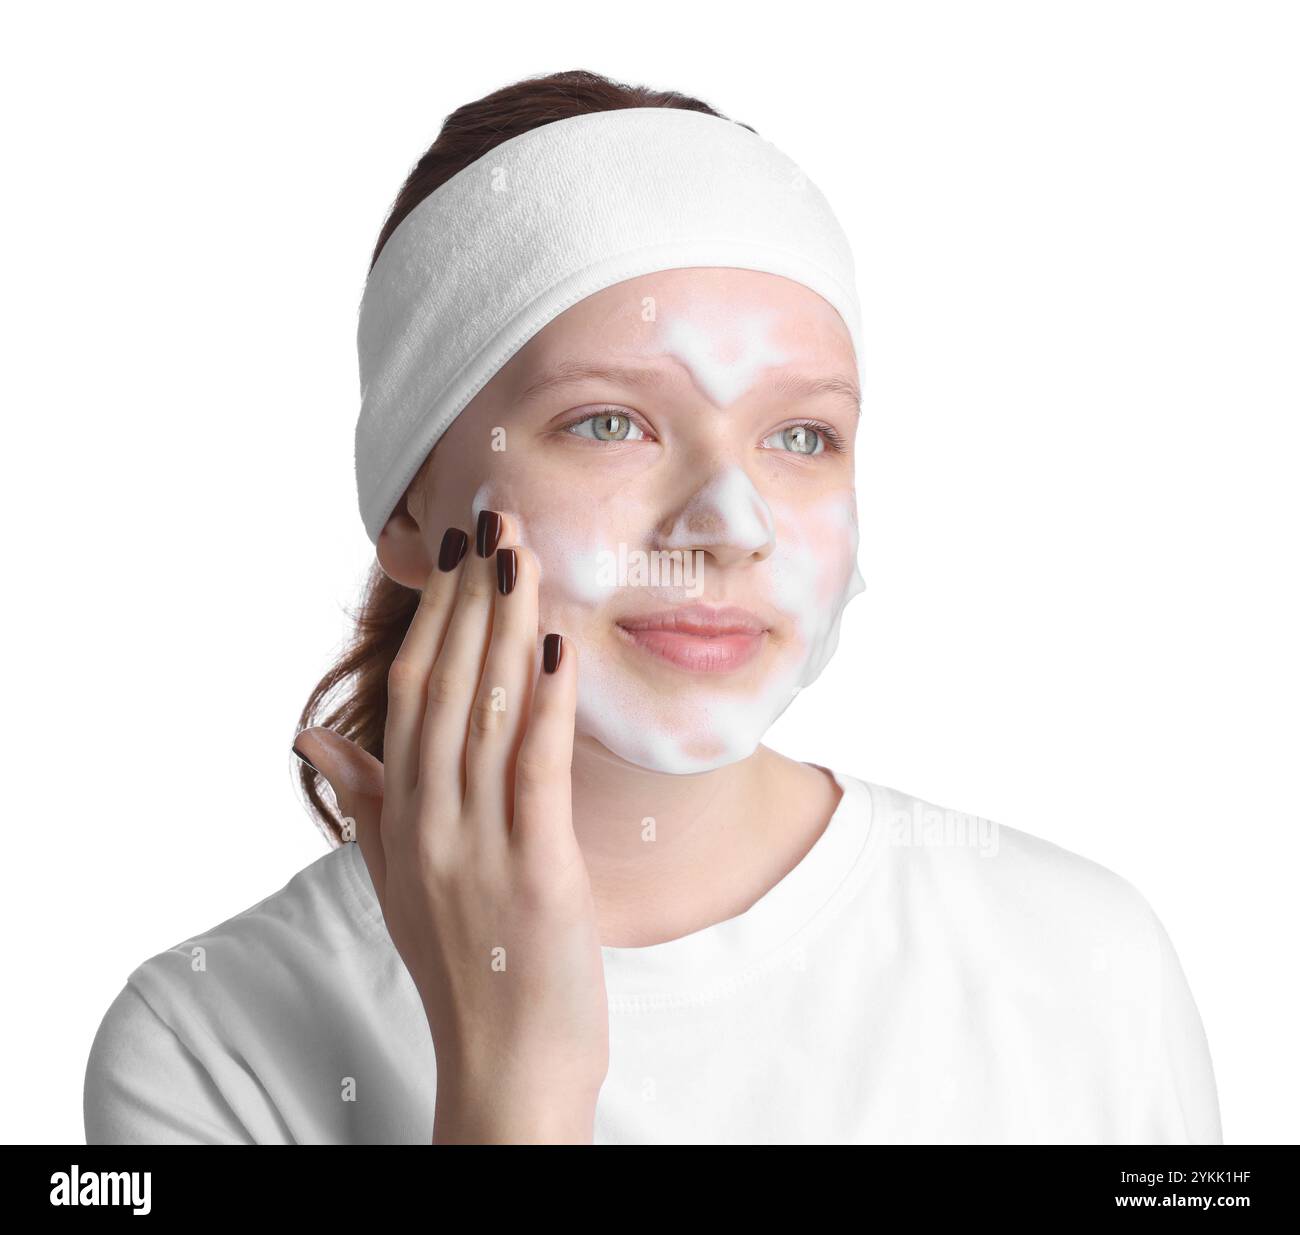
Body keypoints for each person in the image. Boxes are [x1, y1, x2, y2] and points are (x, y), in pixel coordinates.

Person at [83, 69, 1222, 1145]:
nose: (730, 523)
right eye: (608, 422)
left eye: (800, 434)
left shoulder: (1083, 961)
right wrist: (512, 1080)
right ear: (404, 509)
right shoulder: (209, 1042)